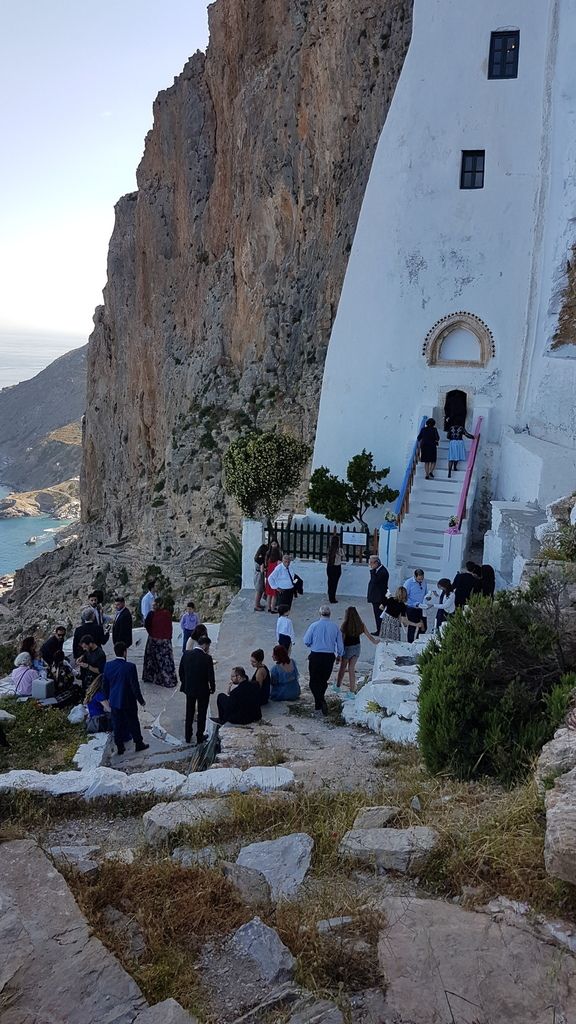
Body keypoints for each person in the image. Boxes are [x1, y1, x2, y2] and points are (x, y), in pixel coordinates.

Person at [101, 641, 149, 756]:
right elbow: (134, 686)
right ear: (125, 652)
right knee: (133, 722)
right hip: (128, 700)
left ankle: (120, 747)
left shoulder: (108, 665)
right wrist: (141, 700)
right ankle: (138, 743)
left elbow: (105, 684)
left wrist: (107, 697)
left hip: (114, 700)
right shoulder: (130, 667)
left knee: (117, 724)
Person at [303, 605, 344, 715]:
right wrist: (340, 655)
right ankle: (320, 702)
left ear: (319, 614)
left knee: (313, 681)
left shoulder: (314, 625)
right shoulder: (335, 627)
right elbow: (340, 644)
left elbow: (306, 640)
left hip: (316, 655)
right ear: (330, 614)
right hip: (329, 656)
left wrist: (313, 644)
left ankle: (320, 701)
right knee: (323, 680)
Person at [179, 633, 215, 745]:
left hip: (189, 688)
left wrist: (185, 683)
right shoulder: (207, 658)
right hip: (203, 690)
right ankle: (200, 736)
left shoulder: (186, 654)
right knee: (202, 713)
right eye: (208, 647)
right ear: (204, 645)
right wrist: (212, 688)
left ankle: (188, 736)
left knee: (189, 712)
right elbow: (211, 676)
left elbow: (181, 672)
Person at [335, 606, 378, 696]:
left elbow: (341, 641)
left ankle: (338, 686)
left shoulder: (344, 625)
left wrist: (339, 655)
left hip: (347, 648)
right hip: (357, 648)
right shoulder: (361, 624)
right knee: (351, 669)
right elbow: (369, 636)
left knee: (342, 668)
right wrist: (376, 642)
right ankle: (351, 691)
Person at [143, 597, 177, 688]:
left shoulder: (152, 614)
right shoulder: (167, 614)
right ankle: (168, 679)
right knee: (165, 661)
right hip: (165, 642)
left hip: (154, 640)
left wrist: (151, 633)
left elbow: (147, 625)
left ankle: (152, 677)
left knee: (153, 660)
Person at [367, 555, 389, 634]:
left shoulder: (382, 572)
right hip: (376, 597)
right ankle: (380, 629)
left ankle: (380, 630)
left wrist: (372, 571)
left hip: (379, 598)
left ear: (376, 563)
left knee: (379, 615)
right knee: (378, 615)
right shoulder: (378, 570)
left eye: (371, 563)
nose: (370, 565)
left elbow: (375, 581)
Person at [326, 532, 345, 604]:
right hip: (337, 567)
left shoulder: (329, 549)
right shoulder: (339, 549)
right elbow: (343, 555)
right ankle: (333, 598)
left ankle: (330, 596)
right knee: (335, 583)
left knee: (330, 582)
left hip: (329, 567)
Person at [264, 540, 282, 612]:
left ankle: (268, 607)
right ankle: (273, 608)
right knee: (274, 595)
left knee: (269, 594)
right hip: (275, 579)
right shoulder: (278, 562)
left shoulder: (268, 559)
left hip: (269, 577)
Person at [253, 543, 268, 611]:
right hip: (259, 576)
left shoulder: (257, 557)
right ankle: (256, 605)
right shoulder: (261, 559)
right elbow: (262, 570)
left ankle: (258, 604)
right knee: (259, 591)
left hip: (257, 574)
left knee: (259, 590)